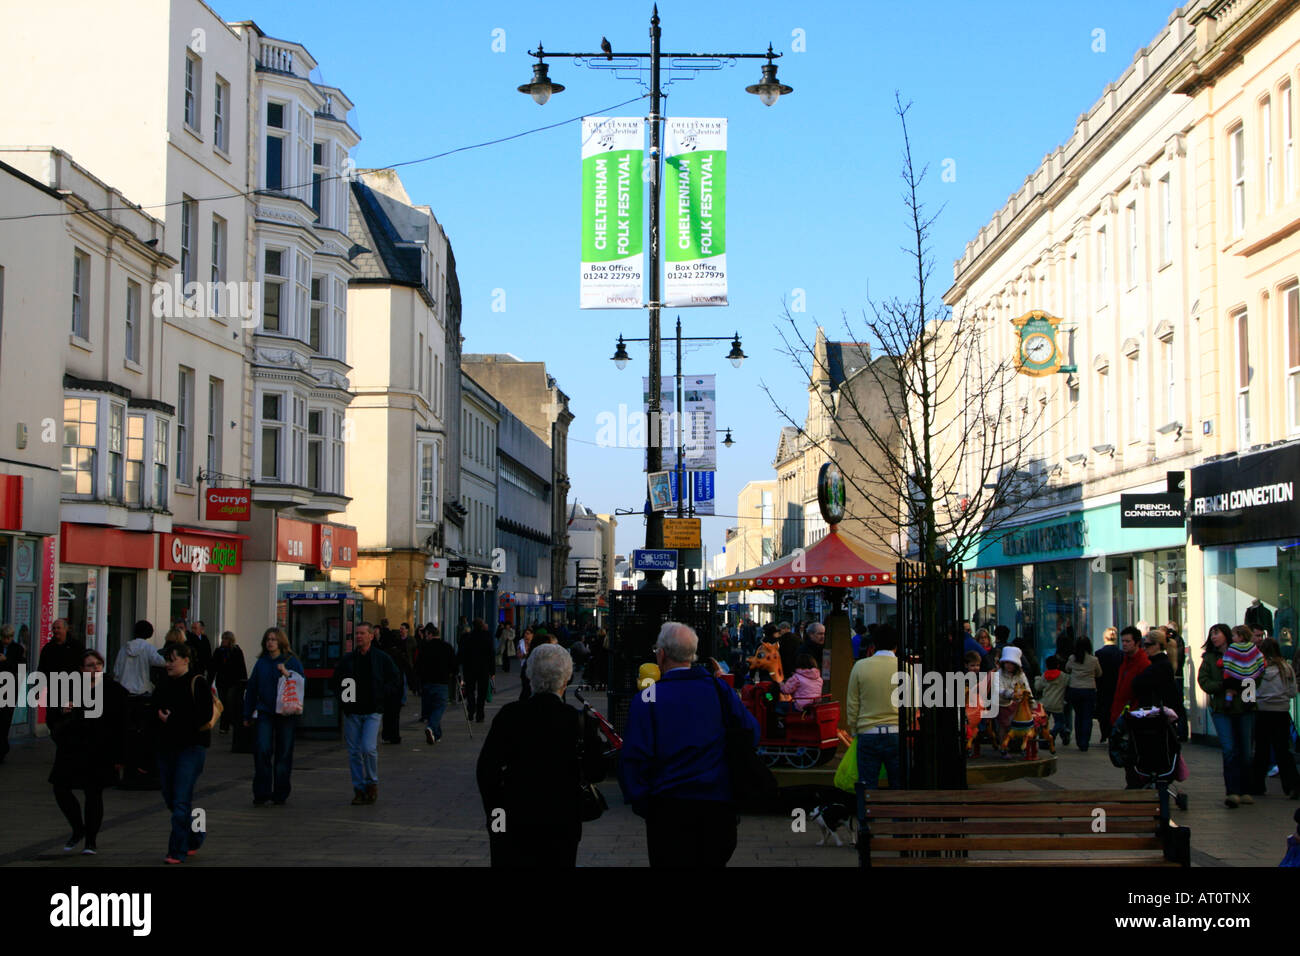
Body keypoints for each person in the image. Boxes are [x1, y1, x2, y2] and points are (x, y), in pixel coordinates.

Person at [619, 622, 759, 867]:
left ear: (661, 655)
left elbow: (633, 755)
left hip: (668, 807)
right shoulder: (718, 690)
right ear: (693, 655)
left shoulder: (648, 697)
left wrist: (643, 802)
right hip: (717, 806)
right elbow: (751, 732)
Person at [476, 644, 605, 867]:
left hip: (514, 820)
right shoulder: (579, 721)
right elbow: (597, 771)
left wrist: (496, 816)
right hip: (562, 822)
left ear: (529, 676)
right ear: (566, 679)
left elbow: (487, 771)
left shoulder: (509, 715)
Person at [48, 650, 126, 854]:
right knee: (60, 787)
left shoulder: (112, 689)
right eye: (90, 665)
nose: (95, 668)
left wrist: (119, 755)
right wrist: (63, 711)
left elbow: (122, 723)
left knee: (93, 793)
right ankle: (78, 828)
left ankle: (91, 840)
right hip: (72, 746)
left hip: (99, 748)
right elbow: (52, 714)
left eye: (98, 664)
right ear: (81, 669)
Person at [149, 643, 212, 863]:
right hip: (166, 748)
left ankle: (176, 850)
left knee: (181, 800)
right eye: (167, 659)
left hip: (191, 748)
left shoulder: (197, 682)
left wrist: (173, 720)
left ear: (185, 660)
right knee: (171, 797)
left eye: (172, 659)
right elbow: (153, 711)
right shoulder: (164, 684)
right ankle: (195, 834)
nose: (168, 664)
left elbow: (203, 716)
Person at [332, 623, 401, 805]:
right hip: (352, 711)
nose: (359, 637)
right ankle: (359, 788)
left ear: (371, 636)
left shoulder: (381, 658)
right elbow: (337, 681)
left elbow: (395, 678)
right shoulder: (349, 660)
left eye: (363, 633)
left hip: (372, 711)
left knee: (368, 748)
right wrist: (343, 701)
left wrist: (382, 695)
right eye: (357, 634)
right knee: (354, 752)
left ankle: (372, 782)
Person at [1198, 623, 1261, 809]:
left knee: (1245, 751)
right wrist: (1222, 686)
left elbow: (1257, 674)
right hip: (1221, 709)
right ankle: (1232, 792)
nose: (1214, 636)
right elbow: (1204, 681)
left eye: (1217, 633)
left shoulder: (1245, 653)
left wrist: (1243, 686)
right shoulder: (1209, 658)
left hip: (1244, 708)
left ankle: (1245, 790)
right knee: (1229, 750)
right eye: (1212, 634)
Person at [242, 628, 304, 807]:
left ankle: (280, 792)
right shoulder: (261, 663)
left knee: (283, 753)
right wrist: (247, 713)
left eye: (274, 640)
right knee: (262, 749)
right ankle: (262, 792)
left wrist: (286, 672)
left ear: (281, 642)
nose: (270, 643)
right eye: (268, 639)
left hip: (285, 713)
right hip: (265, 712)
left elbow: (300, 683)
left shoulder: (291, 661)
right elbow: (252, 689)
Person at [847, 623, 901, 789]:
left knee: (867, 784)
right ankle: (898, 814)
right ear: (897, 645)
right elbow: (913, 704)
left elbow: (852, 703)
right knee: (898, 784)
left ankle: (867, 814)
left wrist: (854, 729)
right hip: (897, 732)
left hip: (868, 732)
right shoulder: (906, 668)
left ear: (874, 644)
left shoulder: (860, 667)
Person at [1251, 637, 1299, 798]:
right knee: (1283, 751)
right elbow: (1293, 692)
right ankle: (1292, 786)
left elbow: (1249, 694)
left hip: (1262, 712)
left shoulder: (1257, 668)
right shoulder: (1286, 668)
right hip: (1281, 712)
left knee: (1261, 750)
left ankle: (1257, 785)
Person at [415, 625, 456, 745]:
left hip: (427, 682)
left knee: (431, 708)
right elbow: (453, 664)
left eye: (426, 634)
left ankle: (437, 734)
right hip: (441, 682)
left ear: (430, 634)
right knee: (439, 707)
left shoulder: (424, 647)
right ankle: (431, 727)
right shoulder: (447, 647)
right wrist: (455, 674)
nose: (425, 636)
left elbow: (418, 664)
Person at [1063, 636, 1102, 751]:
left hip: (1074, 689)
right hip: (1089, 690)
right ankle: (1085, 742)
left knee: (1078, 716)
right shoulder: (1093, 660)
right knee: (1087, 717)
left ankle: (1079, 739)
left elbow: (1067, 669)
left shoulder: (1072, 658)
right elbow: (1099, 673)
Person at [1109, 626, 1151, 725]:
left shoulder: (1143, 663)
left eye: (1128, 641)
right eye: (1123, 641)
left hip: (1132, 715)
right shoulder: (1125, 661)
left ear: (1137, 643)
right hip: (1121, 712)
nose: (1124, 644)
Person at [114, 620, 165, 698]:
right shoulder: (149, 648)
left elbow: (117, 670)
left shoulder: (124, 649)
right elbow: (161, 662)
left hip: (123, 690)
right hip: (142, 691)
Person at [458, 618, 496, 723]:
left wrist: (458, 665)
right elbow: (491, 654)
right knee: (482, 692)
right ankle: (480, 713)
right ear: (482, 625)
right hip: (483, 669)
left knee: (470, 690)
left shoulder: (467, 637)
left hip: (469, 669)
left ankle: (471, 708)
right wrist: (492, 671)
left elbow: (461, 653)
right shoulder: (487, 637)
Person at [210, 631, 247, 734]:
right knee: (223, 703)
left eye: (226, 639)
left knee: (230, 703)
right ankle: (224, 725)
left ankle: (230, 723)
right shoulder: (218, 652)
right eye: (223, 639)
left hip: (233, 682)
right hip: (222, 682)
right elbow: (213, 667)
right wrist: (209, 681)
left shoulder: (236, 651)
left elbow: (241, 667)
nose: (224, 641)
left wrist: (243, 681)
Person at [0, 623, 27, 763]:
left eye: (9, 637)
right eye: (4, 637)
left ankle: (3, 749)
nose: (6, 640)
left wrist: (6, 661)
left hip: (9, 688)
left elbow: (21, 669)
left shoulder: (17, 649)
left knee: (5, 720)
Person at [1034, 656, 1070, 745]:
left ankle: (1043, 739)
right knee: (1060, 722)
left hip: (1045, 703)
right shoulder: (1063, 676)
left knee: (1043, 723)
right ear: (1058, 665)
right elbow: (1070, 682)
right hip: (1058, 704)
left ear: (1046, 666)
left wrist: (1037, 679)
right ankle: (1053, 734)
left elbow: (1038, 687)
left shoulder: (1044, 675)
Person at [1095, 627, 1124, 738]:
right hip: (1116, 684)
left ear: (1104, 638)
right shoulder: (1121, 654)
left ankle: (1105, 731)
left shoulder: (1099, 653)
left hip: (1103, 685)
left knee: (1103, 709)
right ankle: (1113, 729)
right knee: (1114, 708)